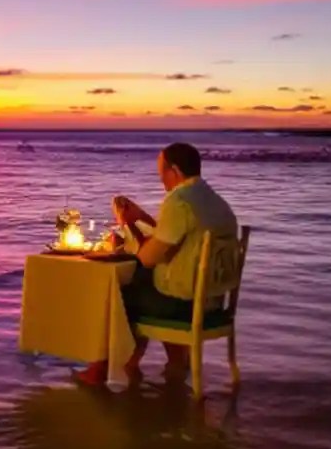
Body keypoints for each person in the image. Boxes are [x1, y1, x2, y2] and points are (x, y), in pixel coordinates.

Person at [78, 143, 239, 386]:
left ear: (174, 170)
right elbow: (175, 240)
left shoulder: (179, 200)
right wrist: (141, 218)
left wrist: (129, 225)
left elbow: (147, 258)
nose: (161, 178)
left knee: (118, 291)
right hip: (212, 302)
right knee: (147, 284)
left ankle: (100, 369)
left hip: (183, 303)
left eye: (162, 172)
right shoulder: (216, 202)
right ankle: (171, 364)